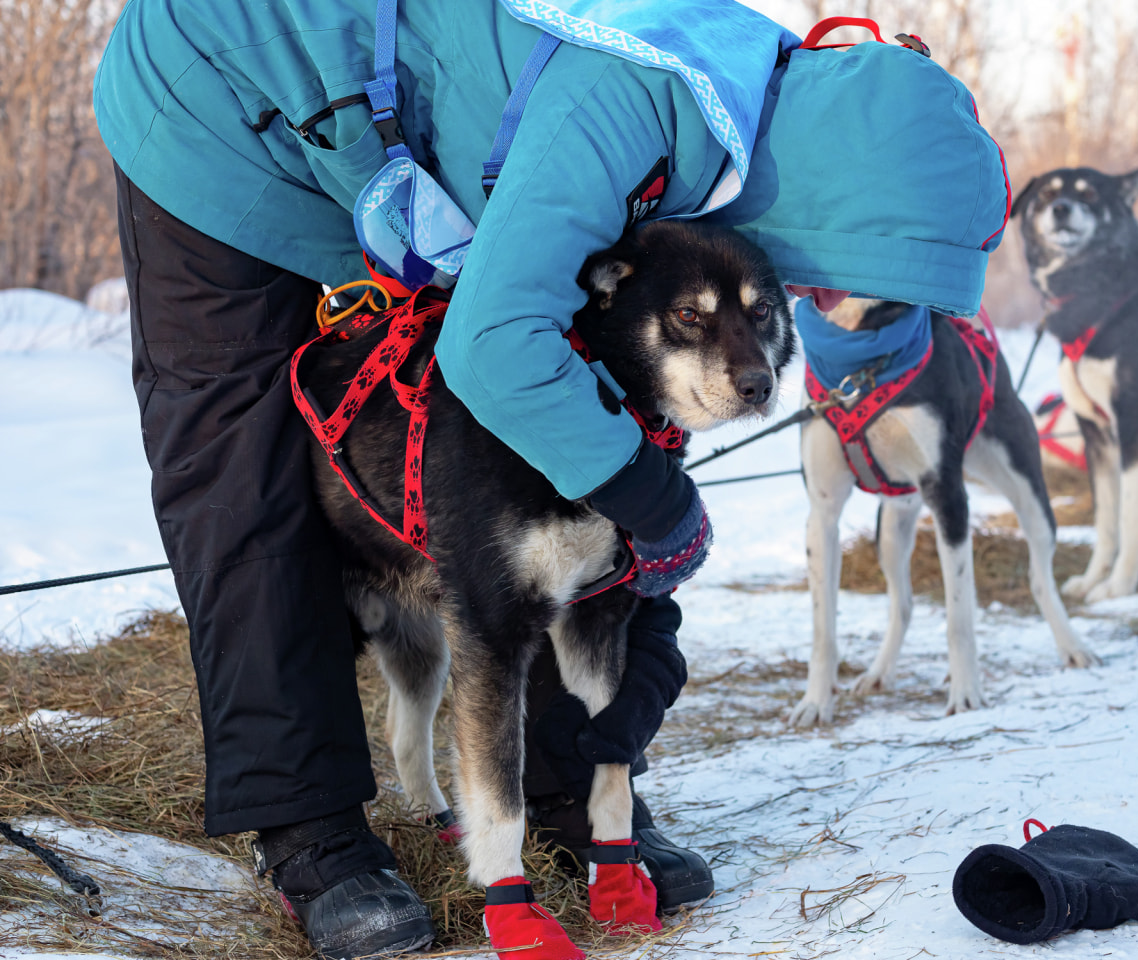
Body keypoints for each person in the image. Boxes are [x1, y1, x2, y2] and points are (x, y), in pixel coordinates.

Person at [94, 1, 1009, 957]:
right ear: (841, 199)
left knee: (556, 403)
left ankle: (570, 782)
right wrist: (656, 503)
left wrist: (640, 574)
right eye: (865, 270)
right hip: (218, 89)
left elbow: (589, 392)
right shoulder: (633, 101)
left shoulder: (746, 121)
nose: (829, 299)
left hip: (389, 130)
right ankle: (309, 826)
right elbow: (496, 343)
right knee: (247, 459)